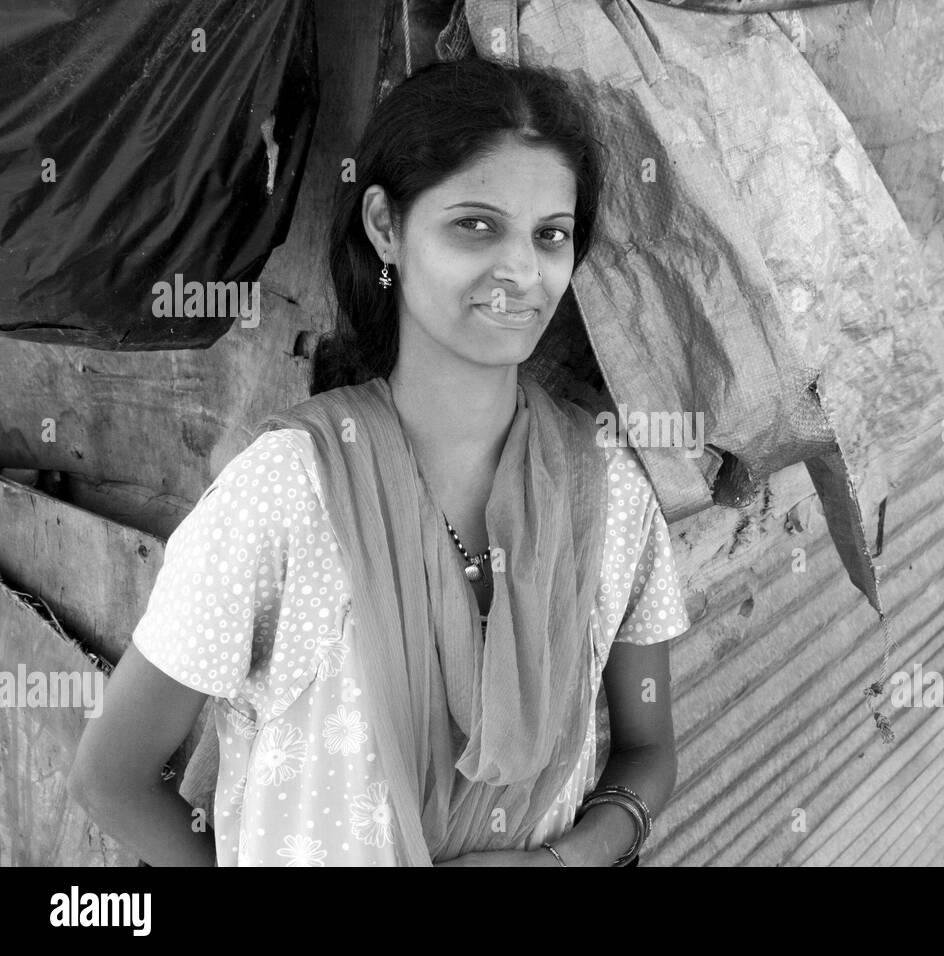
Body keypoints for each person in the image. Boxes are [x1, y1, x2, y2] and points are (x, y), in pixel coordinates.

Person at [69, 58, 692, 866]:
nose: (520, 272)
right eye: (475, 224)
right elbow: (110, 780)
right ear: (385, 226)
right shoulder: (287, 494)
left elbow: (649, 752)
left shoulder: (609, 493)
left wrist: (568, 859)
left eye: (550, 235)